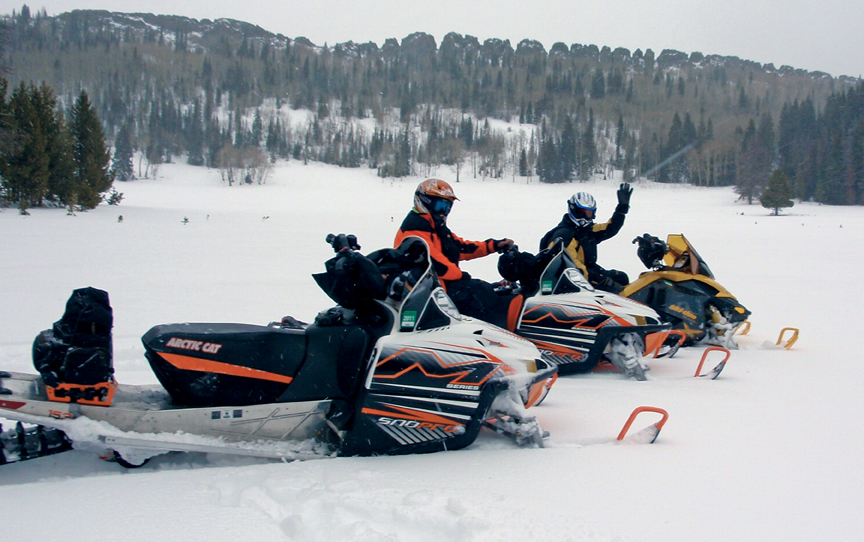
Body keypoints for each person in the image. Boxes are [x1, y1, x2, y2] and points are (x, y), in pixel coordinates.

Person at [394, 179, 522, 330]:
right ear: (425, 201)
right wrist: (462, 276)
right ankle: (492, 338)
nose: (444, 212)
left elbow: (459, 247)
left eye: (448, 207)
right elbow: (436, 263)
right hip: (429, 293)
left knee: (490, 290)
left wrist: (492, 246)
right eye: (441, 205)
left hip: (440, 287)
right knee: (480, 295)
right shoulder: (414, 229)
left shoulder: (435, 226)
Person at [538, 183, 633, 293]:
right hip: (574, 280)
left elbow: (610, 228)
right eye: (581, 212)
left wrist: (621, 209)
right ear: (572, 210)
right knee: (615, 289)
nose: (584, 216)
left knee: (621, 278)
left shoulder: (587, 230)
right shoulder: (565, 235)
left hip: (590, 271)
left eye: (588, 213)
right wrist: (593, 278)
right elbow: (571, 265)